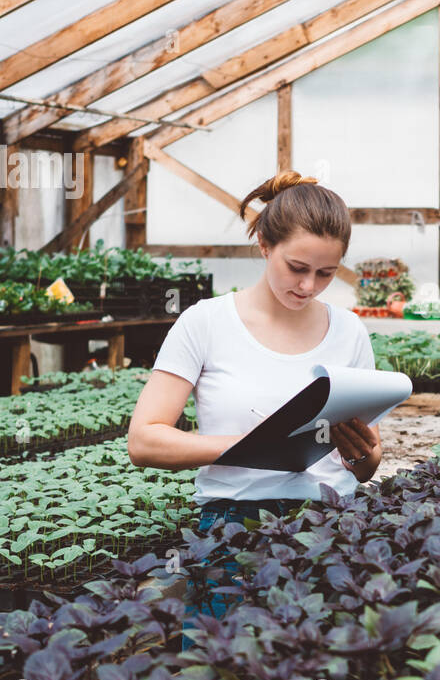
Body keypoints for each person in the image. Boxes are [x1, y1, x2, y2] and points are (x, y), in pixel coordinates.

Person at [126, 169, 383, 632]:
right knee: (224, 678)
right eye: (297, 268)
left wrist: (360, 455)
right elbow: (144, 441)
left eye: (326, 273)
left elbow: (366, 465)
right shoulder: (204, 323)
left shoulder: (349, 331)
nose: (308, 286)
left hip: (330, 525)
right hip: (232, 528)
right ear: (265, 245)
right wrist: (253, 445)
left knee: (319, 674)